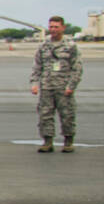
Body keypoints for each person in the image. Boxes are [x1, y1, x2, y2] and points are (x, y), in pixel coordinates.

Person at [30, 16, 84, 152]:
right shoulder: (43, 45)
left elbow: (77, 68)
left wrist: (71, 86)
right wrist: (34, 83)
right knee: (45, 115)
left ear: (63, 28)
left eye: (56, 27)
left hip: (63, 87)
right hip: (47, 86)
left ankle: (68, 141)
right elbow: (37, 65)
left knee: (67, 115)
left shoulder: (70, 46)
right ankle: (47, 141)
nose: (53, 30)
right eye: (51, 27)